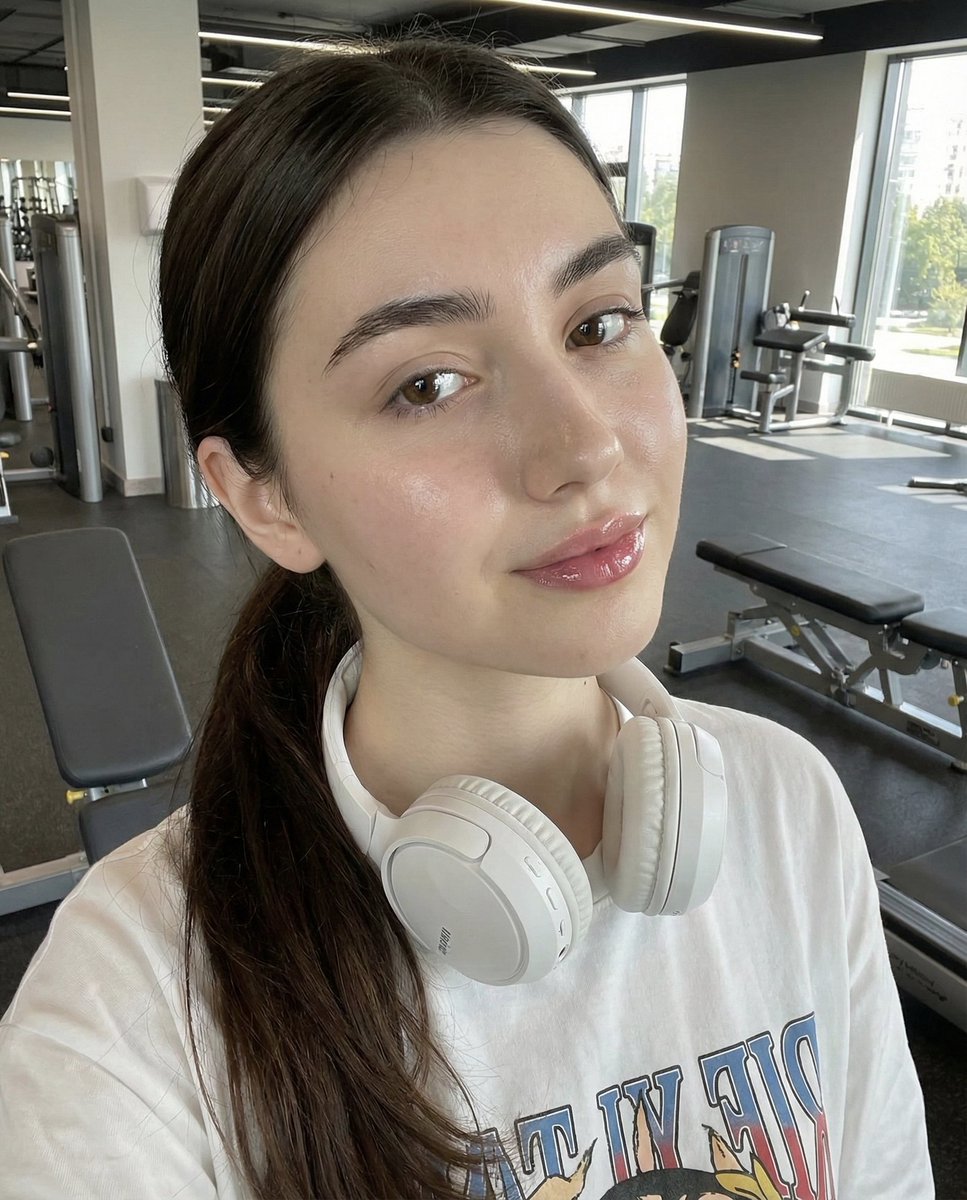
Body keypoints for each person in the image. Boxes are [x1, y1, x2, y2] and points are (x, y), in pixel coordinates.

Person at [0, 38, 932, 1200]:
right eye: (427, 383)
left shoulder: (786, 806)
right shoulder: (130, 1009)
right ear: (263, 498)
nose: (584, 445)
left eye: (597, 325)